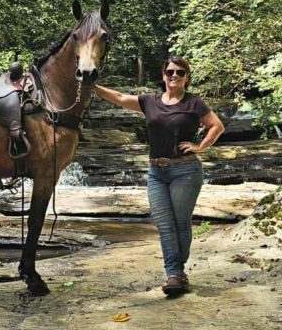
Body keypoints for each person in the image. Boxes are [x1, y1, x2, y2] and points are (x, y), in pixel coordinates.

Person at [94, 56, 225, 295]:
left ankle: (176, 273)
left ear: (187, 77)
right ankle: (175, 273)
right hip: (156, 172)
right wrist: (91, 85)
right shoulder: (149, 101)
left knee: (180, 222)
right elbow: (120, 98)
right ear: (163, 75)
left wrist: (200, 147)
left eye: (180, 72)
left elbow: (216, 126)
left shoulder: (194, 103)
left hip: (185, 171)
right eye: (170, 72)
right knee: (164, 224)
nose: (174, 75)